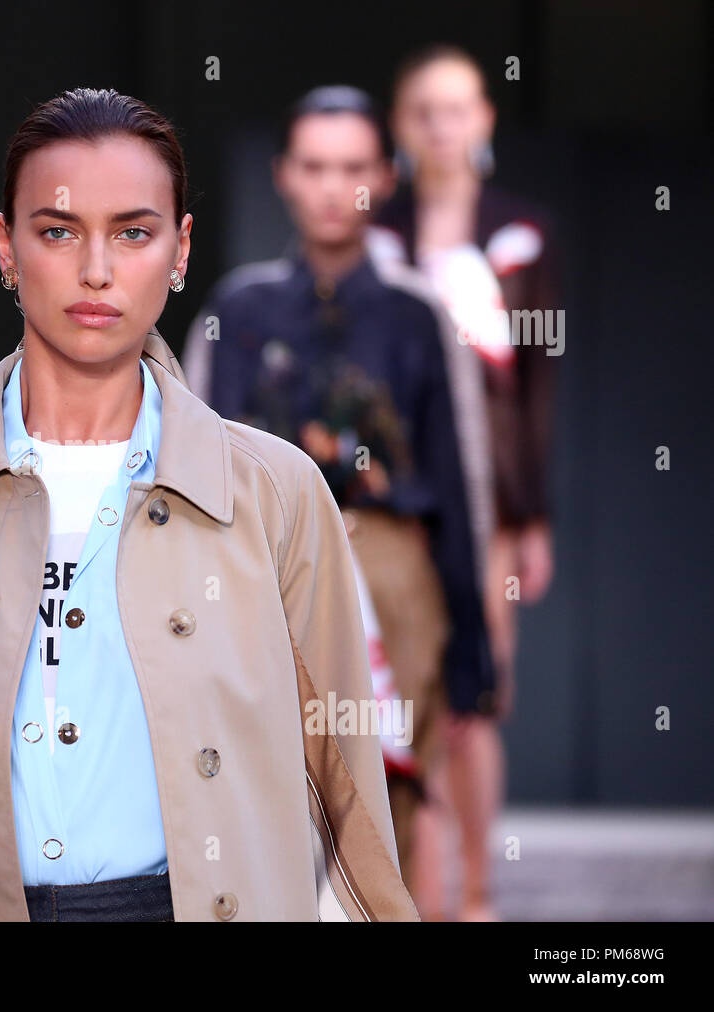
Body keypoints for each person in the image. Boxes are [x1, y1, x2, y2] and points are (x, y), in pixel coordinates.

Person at [0, 87, 417, 922]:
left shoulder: (273, 494)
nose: (96, 270)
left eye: (134, 232)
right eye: (58, 231)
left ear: (180, 250)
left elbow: (341, 786)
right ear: (6, 246)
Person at [181, 85, 494, 889]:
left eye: (354, 167)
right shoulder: (235, 309)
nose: (334, 187)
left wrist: (474, 653)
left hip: (396, 574)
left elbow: (458, 481)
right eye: (315, 166)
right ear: (284, 174)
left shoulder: (416, 314)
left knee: (390, 799)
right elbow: (185, 475)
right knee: (259, 786)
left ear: (386, 177)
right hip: (261, 569)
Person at [370, 44, 561, 921]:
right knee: (399, 698)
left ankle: (478, 896)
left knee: (473, 702)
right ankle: (420, 896)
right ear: (403, 126)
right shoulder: (375, 231)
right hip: (398, 501)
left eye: (460, 107)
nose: (442, 125)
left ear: (485, 118)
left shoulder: (520, 231)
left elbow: (536, 385)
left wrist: (532, 519)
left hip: (488, 509)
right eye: (425, 110)